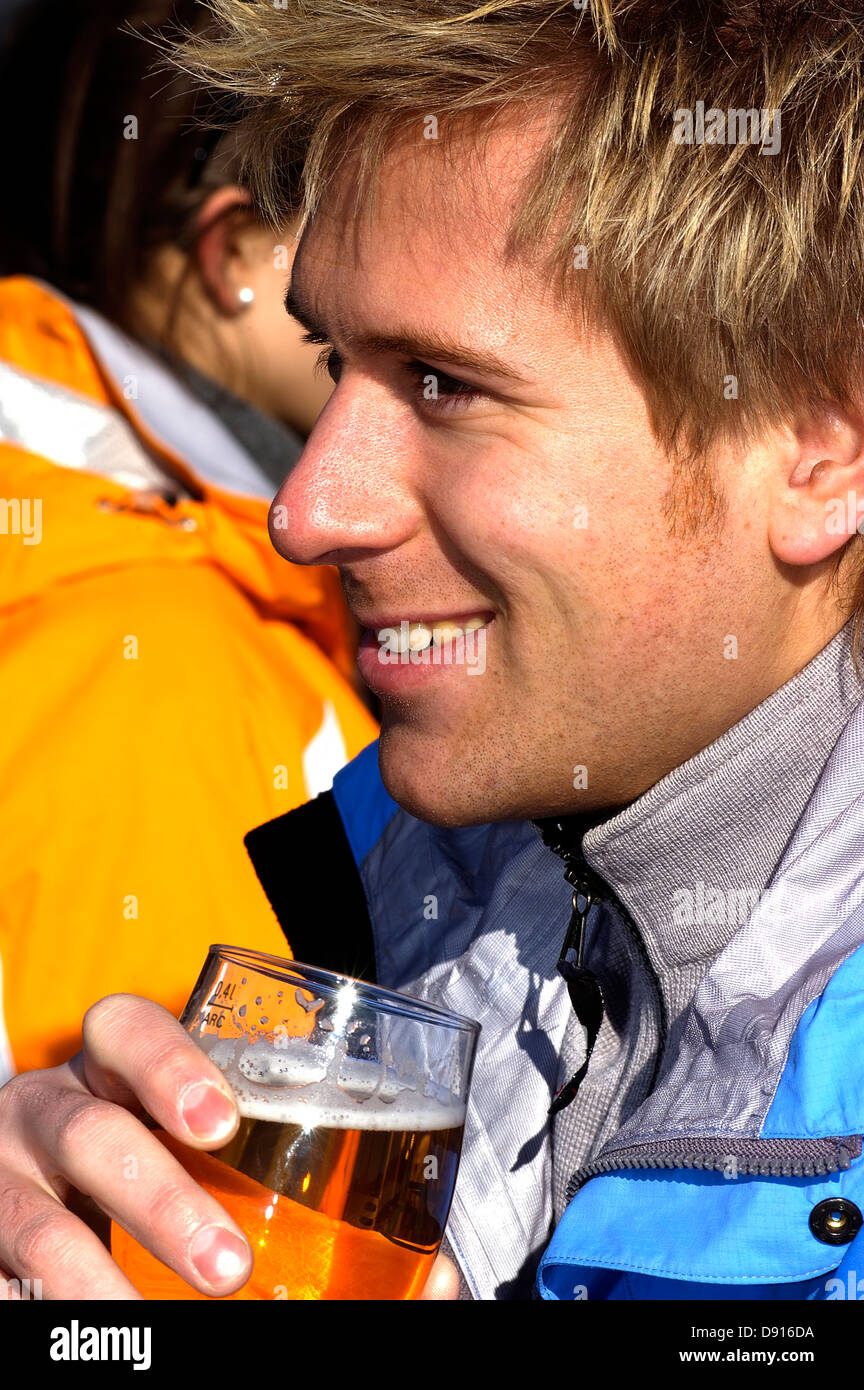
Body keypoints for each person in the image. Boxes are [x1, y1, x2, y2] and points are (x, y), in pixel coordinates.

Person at [2, 0, 864, 1303]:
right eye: (331, 359)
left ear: (817, 448)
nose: (307, 511)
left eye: (444, 385)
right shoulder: (387, 910)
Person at [0, 0, 377, 1080]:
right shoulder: (153, 646)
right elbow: (194, 1221)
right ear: (236, 257)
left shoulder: (123, 569)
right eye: (363, 212)